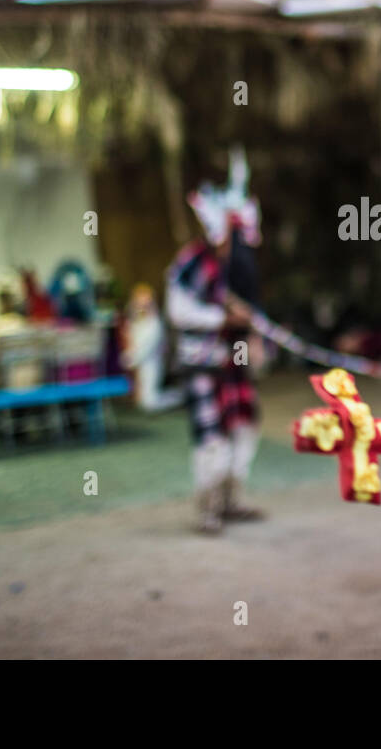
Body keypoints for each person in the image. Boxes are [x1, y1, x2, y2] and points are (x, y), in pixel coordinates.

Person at [166, 148, 266, 534]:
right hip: (202, 362)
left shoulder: (235, 265)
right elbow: (178, 310)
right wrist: (222, 316)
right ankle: (208, 506)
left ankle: (231, 499)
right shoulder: (192, 262)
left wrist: (249, 326)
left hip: (233, 362)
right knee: (212, 437)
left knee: (243, 426)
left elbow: (244, 308)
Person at [122, 283, 181, 412]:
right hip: (136, 358)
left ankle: (180, 395)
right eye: (139, 301)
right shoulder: (133, 319)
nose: (142, 304)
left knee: (149, 403)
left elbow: (145, 350)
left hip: (150, 362)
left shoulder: (155, 323)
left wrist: (129, 360)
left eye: (145, 301)